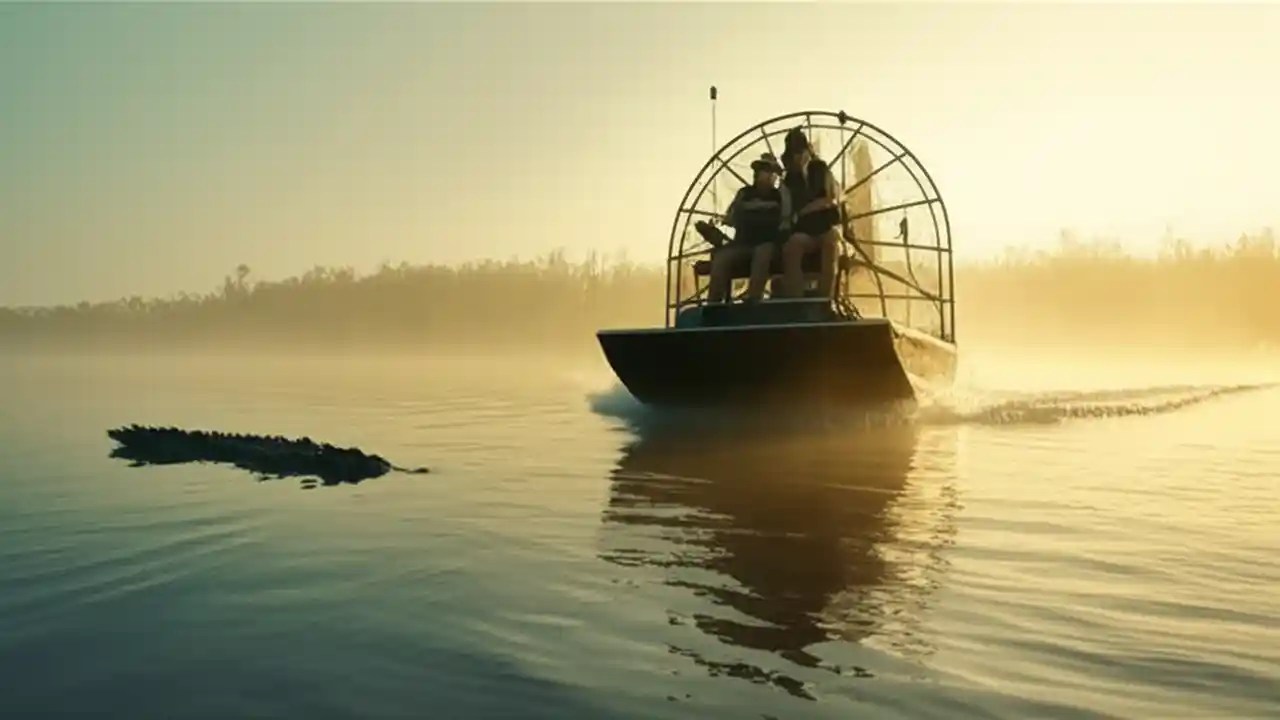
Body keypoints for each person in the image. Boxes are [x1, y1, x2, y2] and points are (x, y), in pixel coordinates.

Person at [705, 152, 791, 303]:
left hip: (768, 245)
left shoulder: (779, 196)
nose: (762, 174)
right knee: (721, 258)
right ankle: (713, 305)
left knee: (762, 254)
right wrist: (717, 224)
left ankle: (753, 300)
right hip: (743, 244)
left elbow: (787, 217)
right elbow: (729, 219)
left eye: (768, 171)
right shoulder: (744, 194)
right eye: (760, 170)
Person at [778, 128, 842, 299]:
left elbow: (829, 199)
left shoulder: (820, 169)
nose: (798, 158)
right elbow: (787, 209)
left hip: (826, 227)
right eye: (794, 155)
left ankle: (825, 299)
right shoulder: (789, 179)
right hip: (805, 232)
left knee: (830, 243)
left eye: (800, 153)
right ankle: (797, 301)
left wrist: (801, 212)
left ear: (807, 151)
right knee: (792, 247)